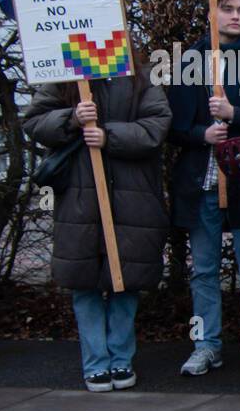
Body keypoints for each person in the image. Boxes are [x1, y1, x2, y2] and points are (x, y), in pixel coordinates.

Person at [23, 71, 171, 392]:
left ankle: (120, 358)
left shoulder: (140, 81)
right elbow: (34, 121)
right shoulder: (64, 79)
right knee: (84, 281)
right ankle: (95, 362)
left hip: (131, 199)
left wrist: (109, 136)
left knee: (125, 281)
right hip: (79, 200)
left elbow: (157, 125)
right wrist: (72, 118)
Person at [169, 0, 240, 378]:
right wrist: (203, 134)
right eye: (228, 9)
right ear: (212, 12)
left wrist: (237, 114)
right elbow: (173, 126)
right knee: (203, 269)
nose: (235, 16)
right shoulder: (188, 64)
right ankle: (206, 344)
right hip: (203, 183)